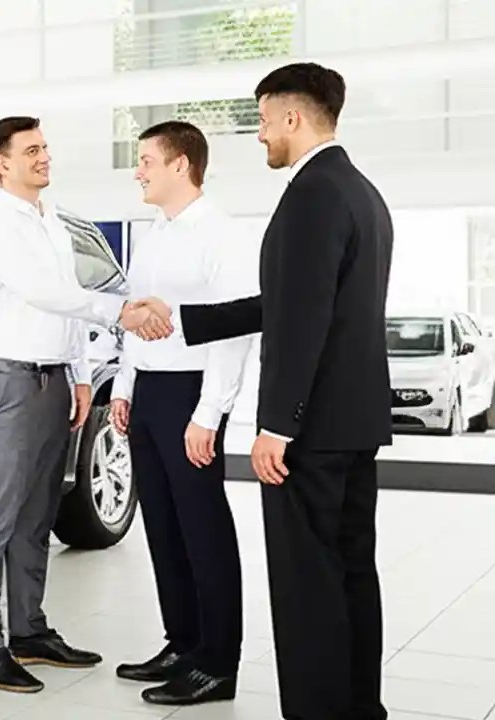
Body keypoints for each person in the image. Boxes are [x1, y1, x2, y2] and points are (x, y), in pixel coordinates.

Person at [172, 63, 393, 720]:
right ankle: (358, 708)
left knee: (306, 585)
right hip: (353, 423)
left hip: (313, 430)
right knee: (352, 572)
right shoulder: (359, 191)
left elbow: (305, 319)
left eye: (265, 122)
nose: (262, 135)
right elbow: (300, 301)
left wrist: (279, 425)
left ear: (294, 117)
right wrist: (196, 320)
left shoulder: (311, 194)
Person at [0, 115, 173, 694]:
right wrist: (118, 312)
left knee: (37, 516)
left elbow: (64, 306)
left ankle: (29, 630)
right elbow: (43, 292)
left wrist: (80, 375)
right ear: (2, 162)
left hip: (55, 380)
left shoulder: (51, 221)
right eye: (32, 150)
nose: (44, 157)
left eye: (46, 147)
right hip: (8, 382)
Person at [108, 121, 258, 706]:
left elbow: (235, 332)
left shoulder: (222, 235)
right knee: (163, 528)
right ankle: (183, 642)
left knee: (204, 531)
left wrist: (209, 414)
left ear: (181, 165)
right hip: (149, 391)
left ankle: (218, 663)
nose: (138, 170)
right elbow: (137, 317)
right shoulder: (152, 233)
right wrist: (124, 384)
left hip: (193, 394)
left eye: (147, 160)